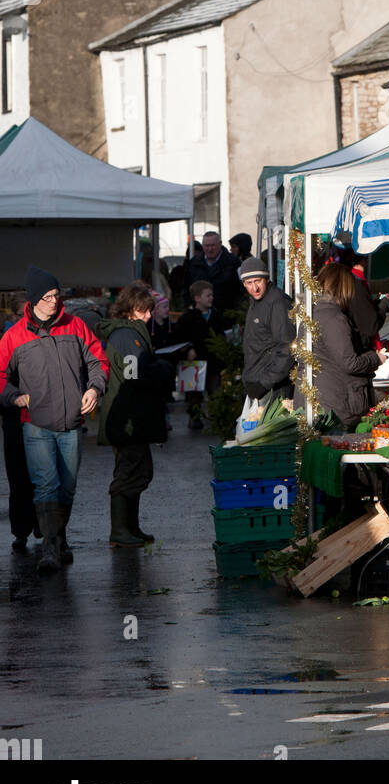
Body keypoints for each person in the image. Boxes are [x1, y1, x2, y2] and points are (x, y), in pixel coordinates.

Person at [0, 266, 108, 574]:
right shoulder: (13, 336)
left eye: (56, 295)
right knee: (46, 485)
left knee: (67, 486)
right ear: (33, 300)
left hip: (71, 421)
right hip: (34, 424)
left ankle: (59, 537)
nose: (53, 302)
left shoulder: (76, 326)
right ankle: (49, 548)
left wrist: (94, 388)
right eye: (47, 297)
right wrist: (13, 396)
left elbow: (98, 361)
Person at [97, 282, 175, 547]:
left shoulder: (130, 333)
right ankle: (120, 531)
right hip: (128, 418)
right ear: (131, 310)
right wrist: (162, 368)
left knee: (139, 470)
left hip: (132, 416)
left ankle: (130, 527)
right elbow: (134, 373)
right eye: (144, 311)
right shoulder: (127, 336)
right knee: (129, 472)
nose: (149, 316)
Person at [313, 262, 388, 430]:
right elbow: (349, 363)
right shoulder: (334, 318)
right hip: (337, 405)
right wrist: (375, 358)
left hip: (325, 399)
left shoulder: (317, 312)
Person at [0, 292, 38, 552]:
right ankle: (24, 528)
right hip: (15, 413)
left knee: (36, 473)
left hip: (33, 413)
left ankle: (29, 528)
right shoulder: (9, 338)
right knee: (22, 473)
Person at [239, 257, 295, 404]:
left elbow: (287, 347)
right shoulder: (257, 302)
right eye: (249, 283)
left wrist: (264, 383)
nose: (254, 288)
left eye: (258, 281)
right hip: (258, 382)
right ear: (244, 284)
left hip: (272, 388)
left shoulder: (277, 303)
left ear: (267, 279)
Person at [173, 280, 224, 429]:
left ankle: (217, 415)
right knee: (194, 392)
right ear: (197, 298)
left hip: (213, 360)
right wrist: (189, 349)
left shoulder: (216, 316)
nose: (211, 298)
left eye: (212, 295)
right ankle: (194, 416)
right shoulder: (187, 318)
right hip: (194, 361)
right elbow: (180, 338)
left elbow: (221, 334)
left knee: (215, 389)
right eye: (208, 295)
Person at [185, 231, 242, 313]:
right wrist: (188, 306)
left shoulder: (234, 262)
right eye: (206, 246)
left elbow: (240, 290)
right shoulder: (194, 263)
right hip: (199, 314)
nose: (209, 249)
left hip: (226, 313)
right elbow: (186, 287)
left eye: (212, 245)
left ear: (220, 244)